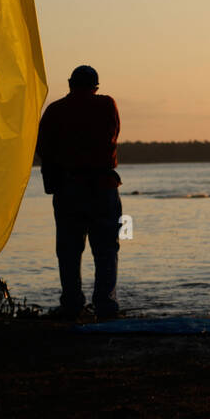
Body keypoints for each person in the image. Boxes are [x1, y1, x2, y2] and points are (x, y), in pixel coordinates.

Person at [36, 65, 123, 320]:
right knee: (106, 249)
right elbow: (113, 134)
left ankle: (73, 305)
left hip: (68, 188)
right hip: (103, 186)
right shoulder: (107, 105)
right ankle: (106, 307)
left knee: (69, 250)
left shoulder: (55, 110)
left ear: (70, 84)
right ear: (95, 86)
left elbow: (43, 148)